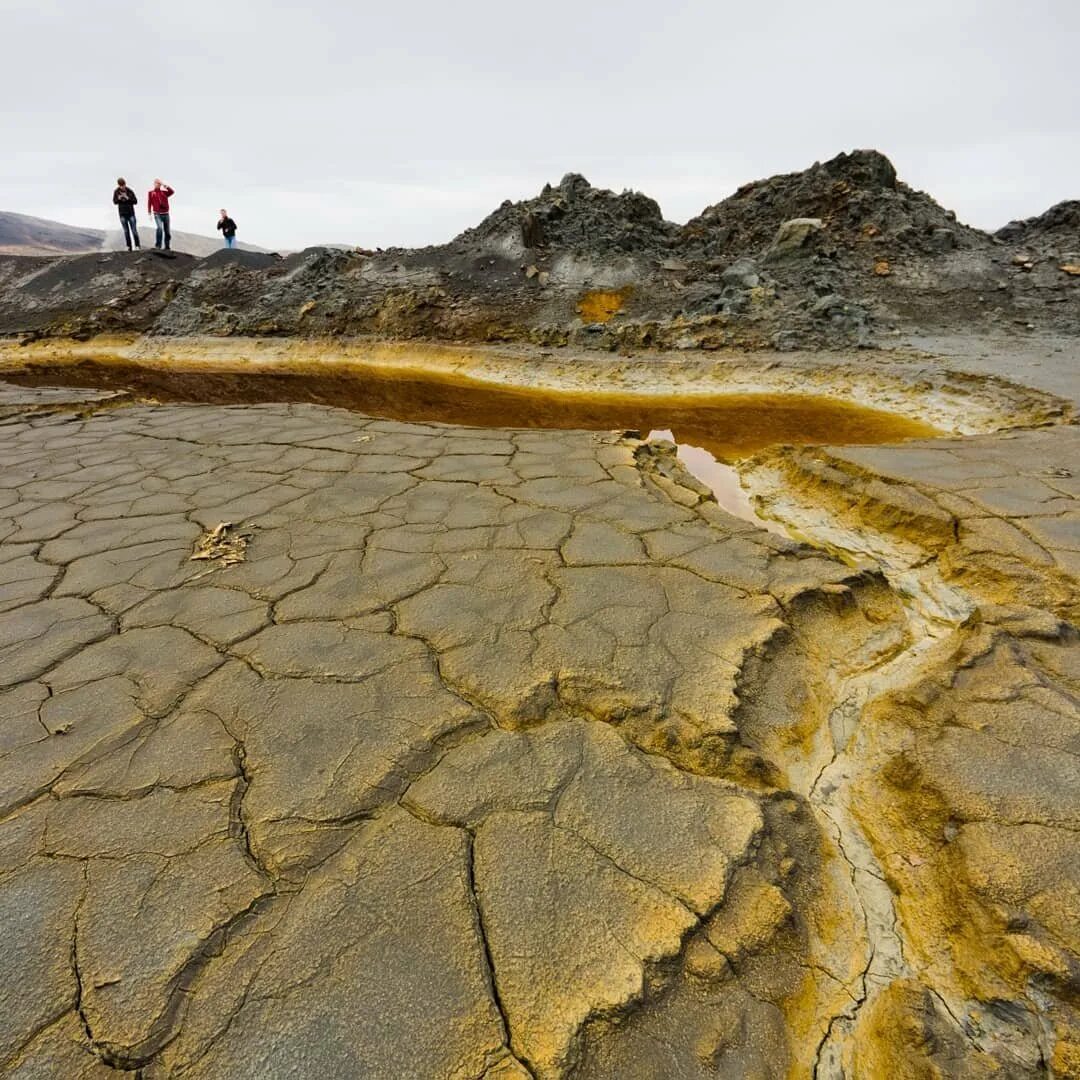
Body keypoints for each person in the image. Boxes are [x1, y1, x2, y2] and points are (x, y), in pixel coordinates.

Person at [112, 178, 140, 250]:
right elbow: (114, 202)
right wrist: (119, 198)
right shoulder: (116, 191)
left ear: (125, 184)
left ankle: (137, 245)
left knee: (134, 231)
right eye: (121, 186)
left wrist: (128, 198)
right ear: (118, 185)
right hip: (122, 214)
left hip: (131, 214)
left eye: (123, 185)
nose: (122, 187)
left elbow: (135, 201)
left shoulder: (130, 191)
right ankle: (129, 247)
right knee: (126, 231)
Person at [147, 179, 175, 251]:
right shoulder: (151, 193)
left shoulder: (164, 192)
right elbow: (149, 202)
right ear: (154, 184)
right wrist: (149, 213)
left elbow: (172, 192)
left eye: (159, 183)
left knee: (167, 231)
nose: (158, 184)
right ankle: (158, 246)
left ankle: (167, 247)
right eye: (156, 183)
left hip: (166, 214)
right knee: (160, 228)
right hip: (157, 214)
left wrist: (164, 184)